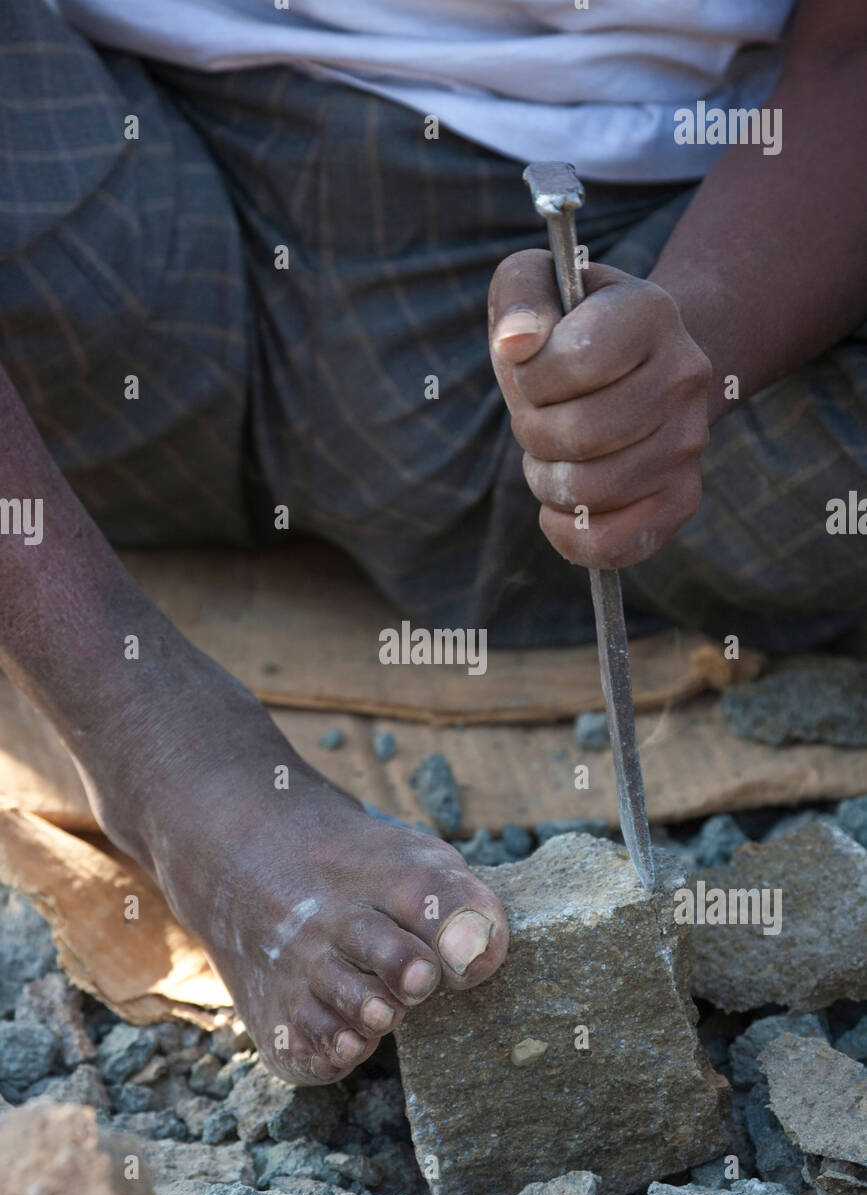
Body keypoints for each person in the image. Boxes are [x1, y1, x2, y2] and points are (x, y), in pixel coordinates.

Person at [1, 0, 865, 1084]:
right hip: (97, 189)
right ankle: (154, 743)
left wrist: (683, 357)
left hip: (672, 219)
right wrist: (146, 734)